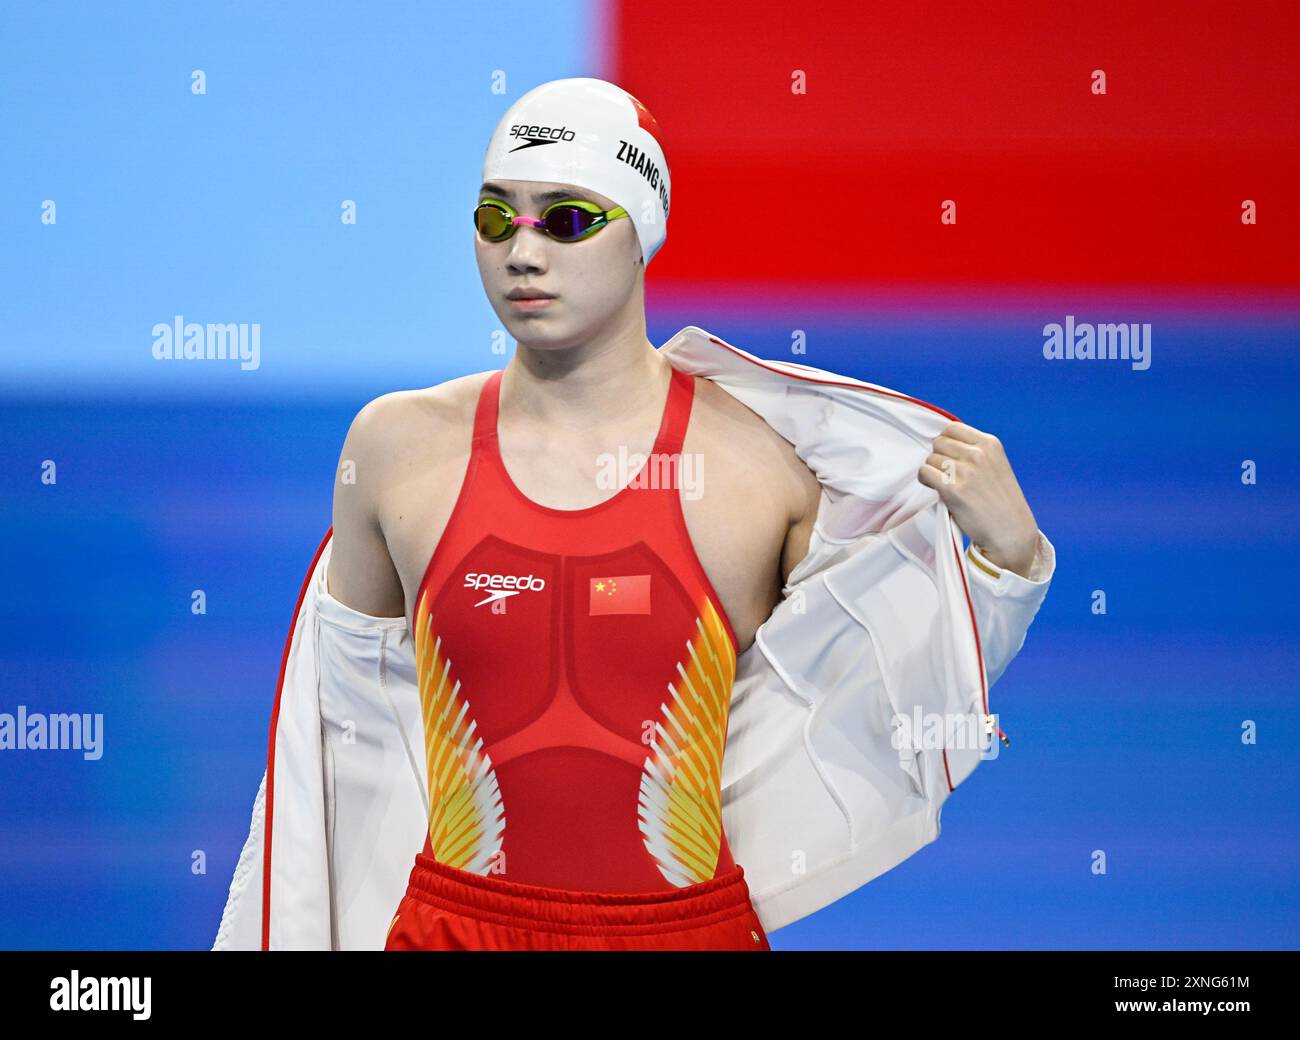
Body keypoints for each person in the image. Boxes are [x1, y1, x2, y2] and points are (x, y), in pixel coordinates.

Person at [213, 77, 1055, 951]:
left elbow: (883, 694)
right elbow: (333, 762)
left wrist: (1007, 561)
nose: (523, 252)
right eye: (497, 218)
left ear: (643, 231)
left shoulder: (755, 472)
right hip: (454, 933)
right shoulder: (396, 452)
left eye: (568, 219)